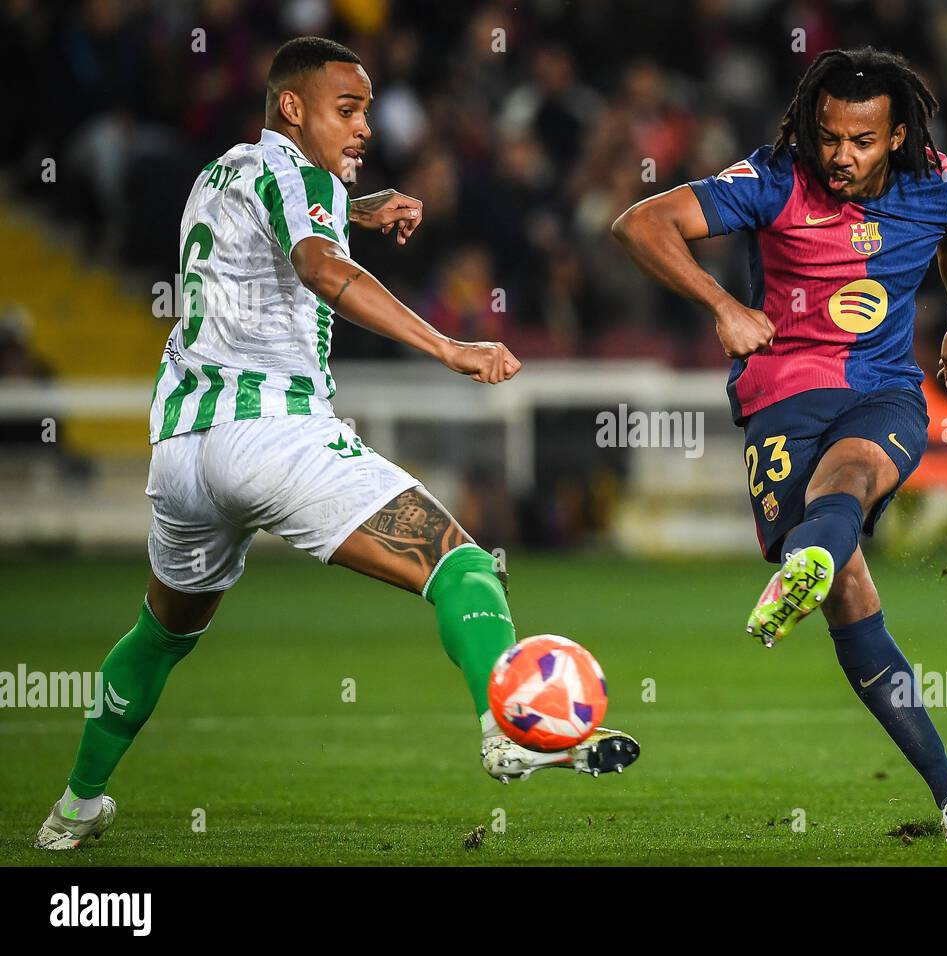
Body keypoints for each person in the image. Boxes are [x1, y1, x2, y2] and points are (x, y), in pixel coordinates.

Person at [35, 37, 638, 851]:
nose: (363, 129)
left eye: (365, 112)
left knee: (163, 631)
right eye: (346, 110)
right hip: (273, 436)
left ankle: (75, 806)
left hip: (181, 450)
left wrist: (358, 208)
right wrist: (448, 347)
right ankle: (508, 729)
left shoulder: (222, 171)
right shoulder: (304, 178)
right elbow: (320, 267)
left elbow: (284, 225)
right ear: (292, 106)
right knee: (463, 566)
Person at [612, 47, 947, 842]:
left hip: (885, 388)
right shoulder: (775, 178)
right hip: (783, 396)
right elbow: (640, 223)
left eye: (860, 140)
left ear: (896, 137)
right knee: (849, 588)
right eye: (828, 138)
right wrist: (721, 303)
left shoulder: (937, 182)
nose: (840, 156)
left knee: (852, 474)